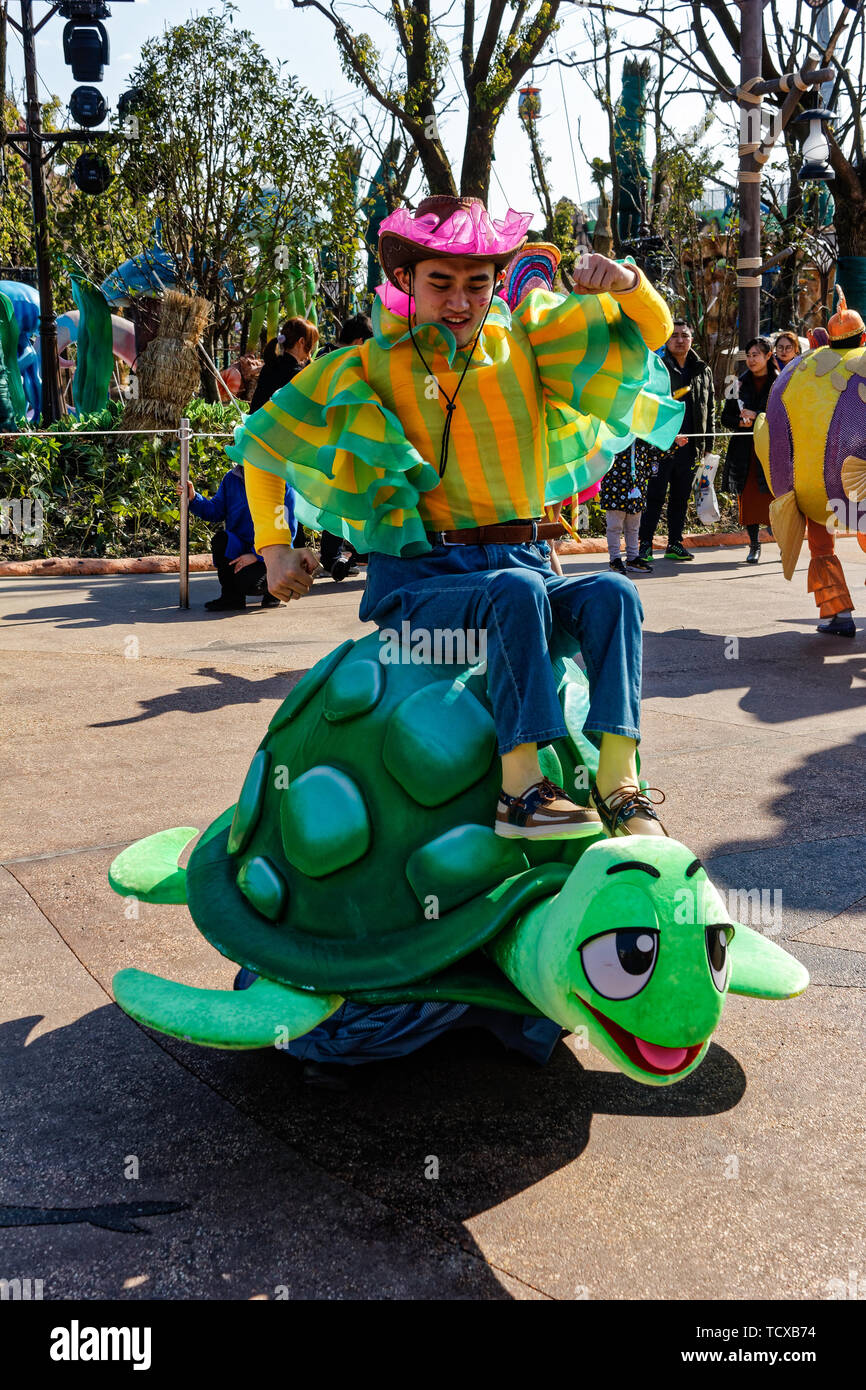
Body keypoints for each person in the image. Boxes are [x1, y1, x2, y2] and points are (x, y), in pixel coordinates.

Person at [232, 194, 683, 843]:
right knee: (518, 592)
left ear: (496, 282)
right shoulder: (369, 366)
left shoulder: (527, 344)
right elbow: (265, 442)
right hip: (425, 585)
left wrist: (631, 287)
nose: (460, 300)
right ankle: (521, 789)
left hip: (524, 571)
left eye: (477, 283)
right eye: (440, 282)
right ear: (405, 281)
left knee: (613, 591)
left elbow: (650, 334)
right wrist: (275, 546)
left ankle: (620, 783)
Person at [637, 320, 715, 564]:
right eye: (675, 336)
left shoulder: (702, 369)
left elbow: (709, 408)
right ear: (667, 340)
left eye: (685, 335)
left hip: (691, 446)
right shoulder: (657, 367)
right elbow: (648, 406)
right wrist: (666, 436)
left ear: (691, 338)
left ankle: (674, 544)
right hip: (660, 446)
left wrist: (707, 444)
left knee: (680, 497)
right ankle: (645, 545)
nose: (680, 340)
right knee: (654, 496)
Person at [179, 465, 295, 611]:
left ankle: (275, 590)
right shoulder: (232, 478)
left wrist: (256, 554)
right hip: (240, 546)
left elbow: (286, 530)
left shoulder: (280, 481)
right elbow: (215, 511)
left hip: (269, 552)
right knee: (221, 540)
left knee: (248, 581)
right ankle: (231, 598)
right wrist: (194, 498)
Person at [318, 314, 374, 580]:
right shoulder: (354, 362)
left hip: (339, 444)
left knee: (339, 500)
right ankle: (350, 554)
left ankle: (340, 555)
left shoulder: (328, 358)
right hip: (352, 444)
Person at [721, 337, 778, 564]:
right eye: (749, 355)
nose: (752, 359)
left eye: (757, 354)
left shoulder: (780, 382)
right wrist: (739, 421)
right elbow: (726, 417)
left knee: (777, 496)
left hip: (772, 447)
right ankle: (754, 544)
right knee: (750, 497)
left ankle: (783, 540)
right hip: (745, 449)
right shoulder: (737, 383)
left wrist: (759, 415)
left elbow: (786, 414)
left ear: (768, 356)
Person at [600, 441, 655, 576]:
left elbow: (655, 453)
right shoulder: (613, 434)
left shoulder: (643, 438)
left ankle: (632, 558)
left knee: (633, 527)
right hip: (615, 487)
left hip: (636, 488)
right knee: (614, 526)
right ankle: (615, 560)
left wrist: (674, 444)